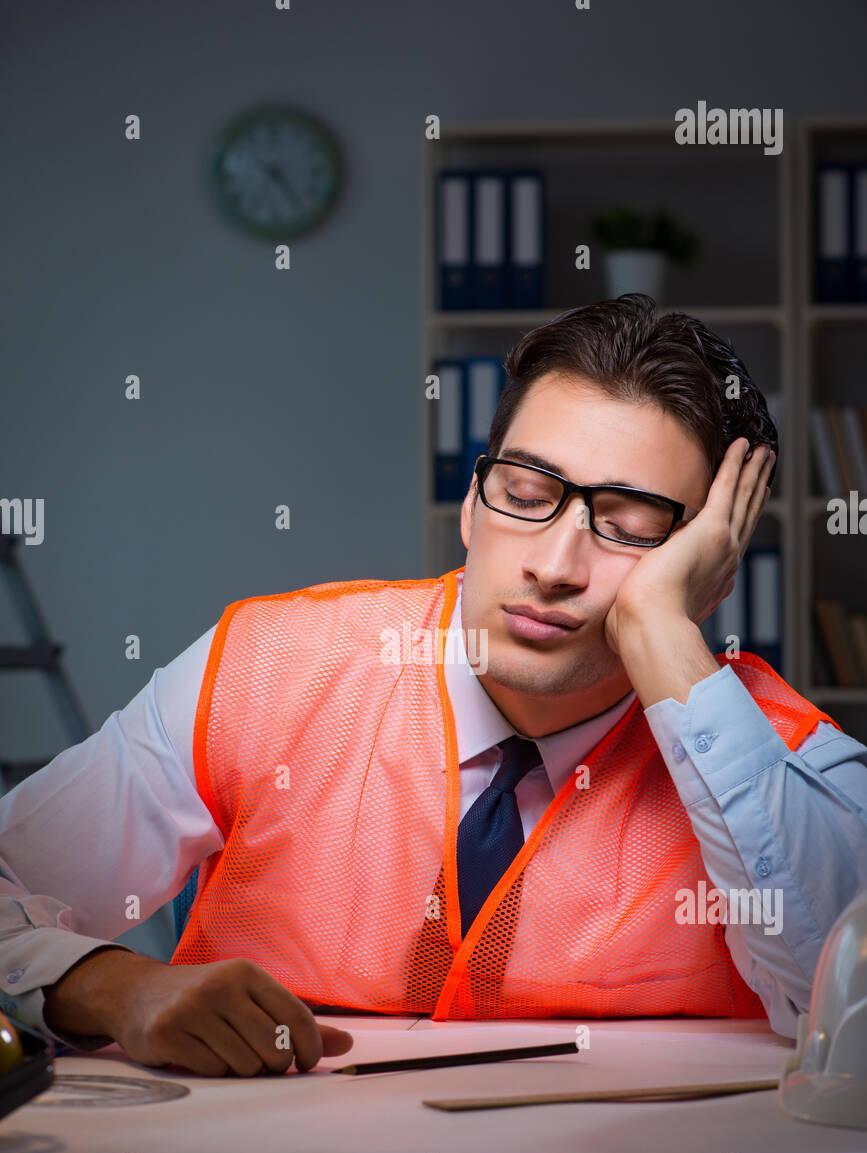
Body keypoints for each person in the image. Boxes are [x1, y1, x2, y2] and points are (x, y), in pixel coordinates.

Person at [2, 294, 866, 1078]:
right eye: (523, 494)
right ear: (470, 504)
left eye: (628, 528)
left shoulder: (774, 752)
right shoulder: (268, 665)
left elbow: (847, 1011)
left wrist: (667, 639)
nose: (554, 565)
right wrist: (114, 987)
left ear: (706, 570)